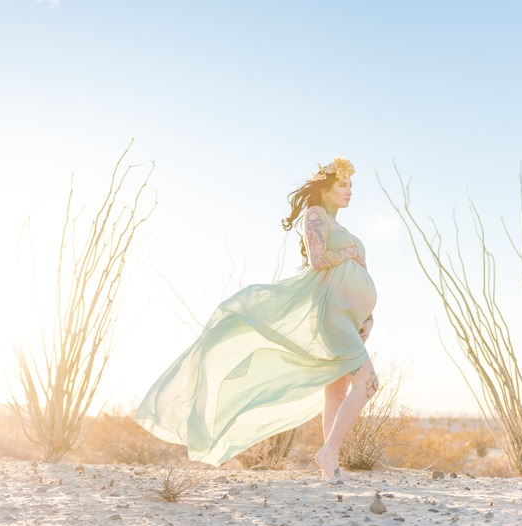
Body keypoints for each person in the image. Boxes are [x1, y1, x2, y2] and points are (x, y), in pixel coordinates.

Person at [132, 154, 378, 483]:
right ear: (325, 190)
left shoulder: (342, 226)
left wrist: (368, 316)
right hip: (330, 318)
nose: (350, 191)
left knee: (336, 390)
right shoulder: (316, 215)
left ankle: (330, 462)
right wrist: (349, 253)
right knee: (367, 385)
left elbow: (356, 277)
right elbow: (318, 260)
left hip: (350, 319)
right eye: (343, 185)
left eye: (351, 185)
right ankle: (329, 451)